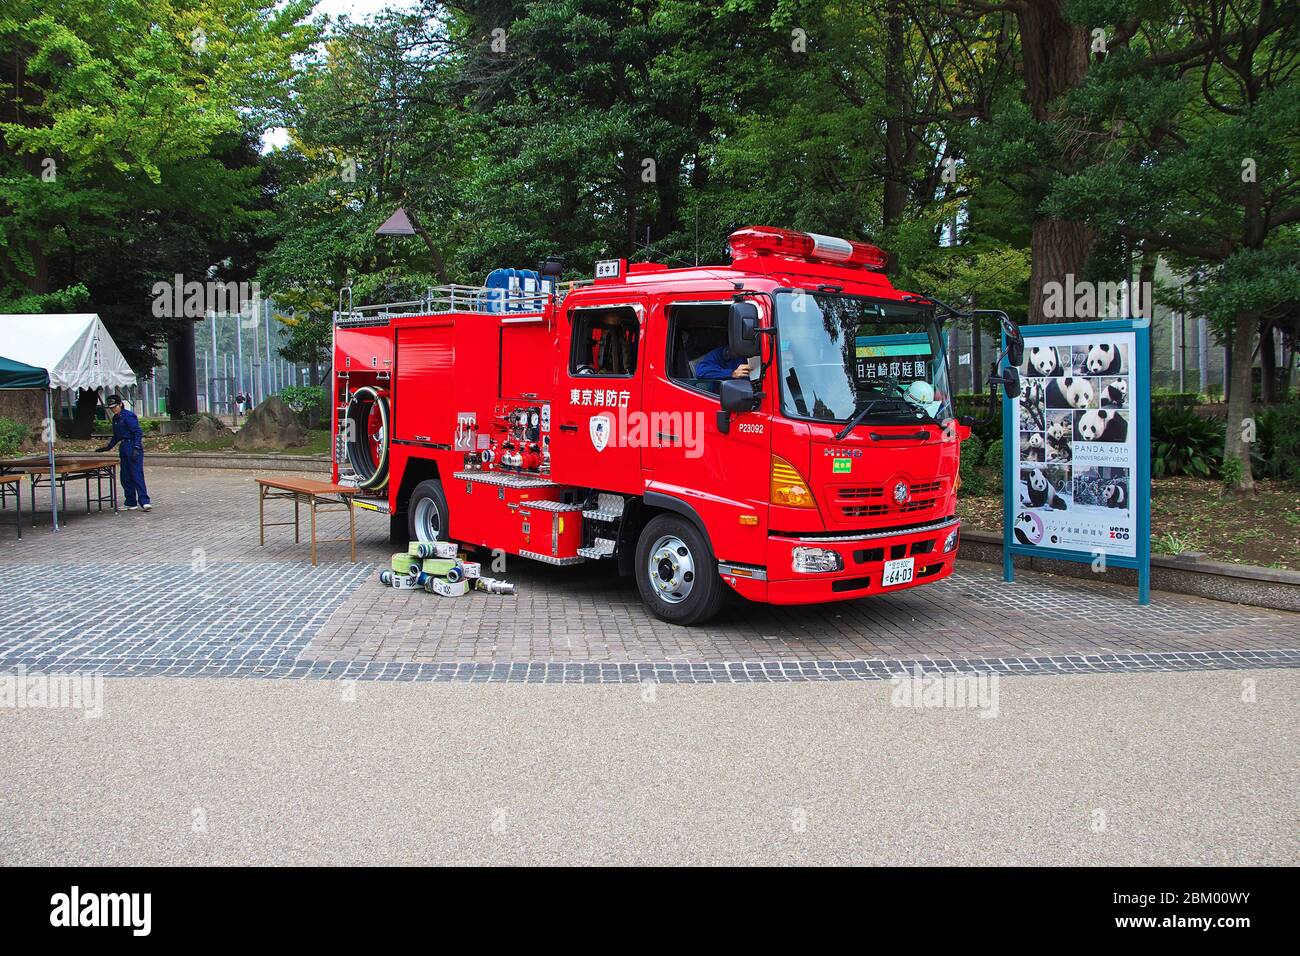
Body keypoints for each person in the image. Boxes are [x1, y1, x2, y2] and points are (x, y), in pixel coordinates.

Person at [96, 395, 151, 511]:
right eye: (111, 408)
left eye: (115, 406)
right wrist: (108, 447)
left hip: (132, 445)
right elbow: (117, 436)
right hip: (124, 446)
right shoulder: (116, 418)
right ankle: (130, 502)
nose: (113, 409)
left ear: (120, 404)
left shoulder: (128, 415)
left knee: (136, 474)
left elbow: (137, 432)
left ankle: (144, 501)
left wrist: (136, 447)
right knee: (125, 476)